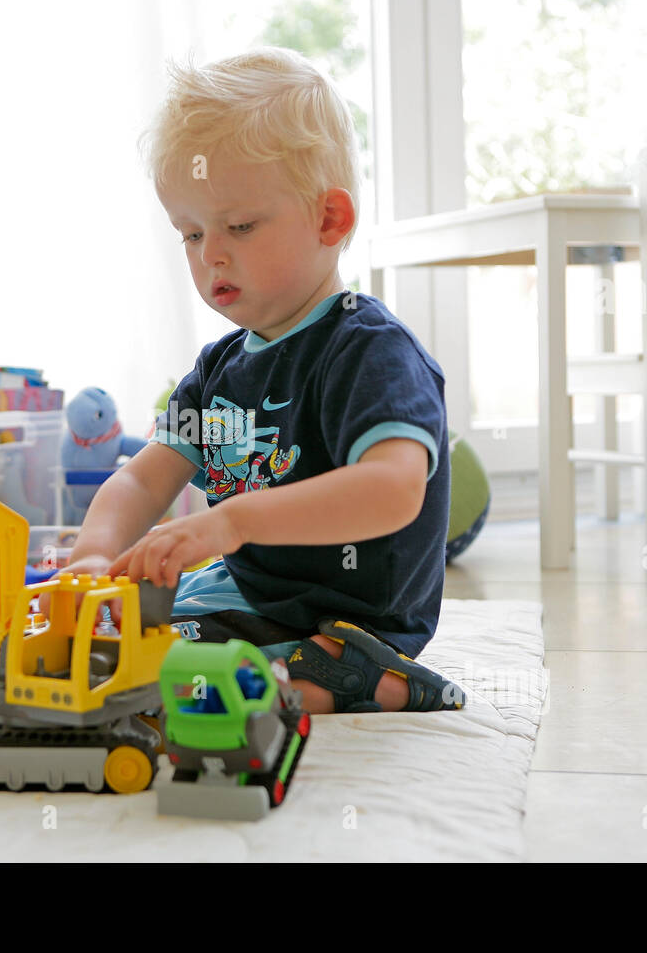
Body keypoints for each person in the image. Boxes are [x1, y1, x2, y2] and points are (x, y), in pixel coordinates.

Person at [57, 47, 463, 716]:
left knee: (189, 686)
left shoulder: (368, 350)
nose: (210, 251)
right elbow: (141, 479)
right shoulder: (218, 370)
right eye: (189, 233)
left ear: (330, 220)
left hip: (351, 613)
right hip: (249, 596)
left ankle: (369, 675)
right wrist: (95, 554)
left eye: (239, 226)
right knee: (120, 640)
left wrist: (234, 522)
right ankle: (269, 667)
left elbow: (393, 491)